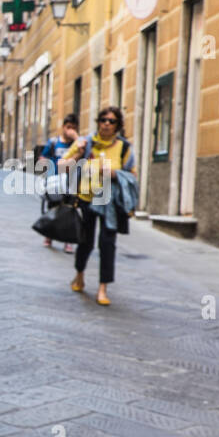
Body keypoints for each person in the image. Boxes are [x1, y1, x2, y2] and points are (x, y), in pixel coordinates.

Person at [58, 106, 136, 306]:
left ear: (118, 125)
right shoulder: (85, 142)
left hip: (110, 202)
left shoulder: (124, 148)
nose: (107, 124)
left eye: (112, 121)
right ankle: (80, 275)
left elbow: (133, 177)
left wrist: (114, 174)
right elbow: (61, 166)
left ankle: (103, 288)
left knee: (107, 243)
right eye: (103, 120)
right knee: (86, 241)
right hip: (86, 198)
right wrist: (79, 154)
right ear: (98, 122)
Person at [37, 114, 79, 253]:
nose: (70, 131)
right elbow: (44, 157)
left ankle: (68, 241)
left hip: (71, 182)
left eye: (73, 128)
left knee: (69, 210)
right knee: (53, 209)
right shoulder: (54, 142)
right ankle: (49, 236)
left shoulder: (77, 143)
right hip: (55, 181)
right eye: (68, 127)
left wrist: (76, 139)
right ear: (63, 127)